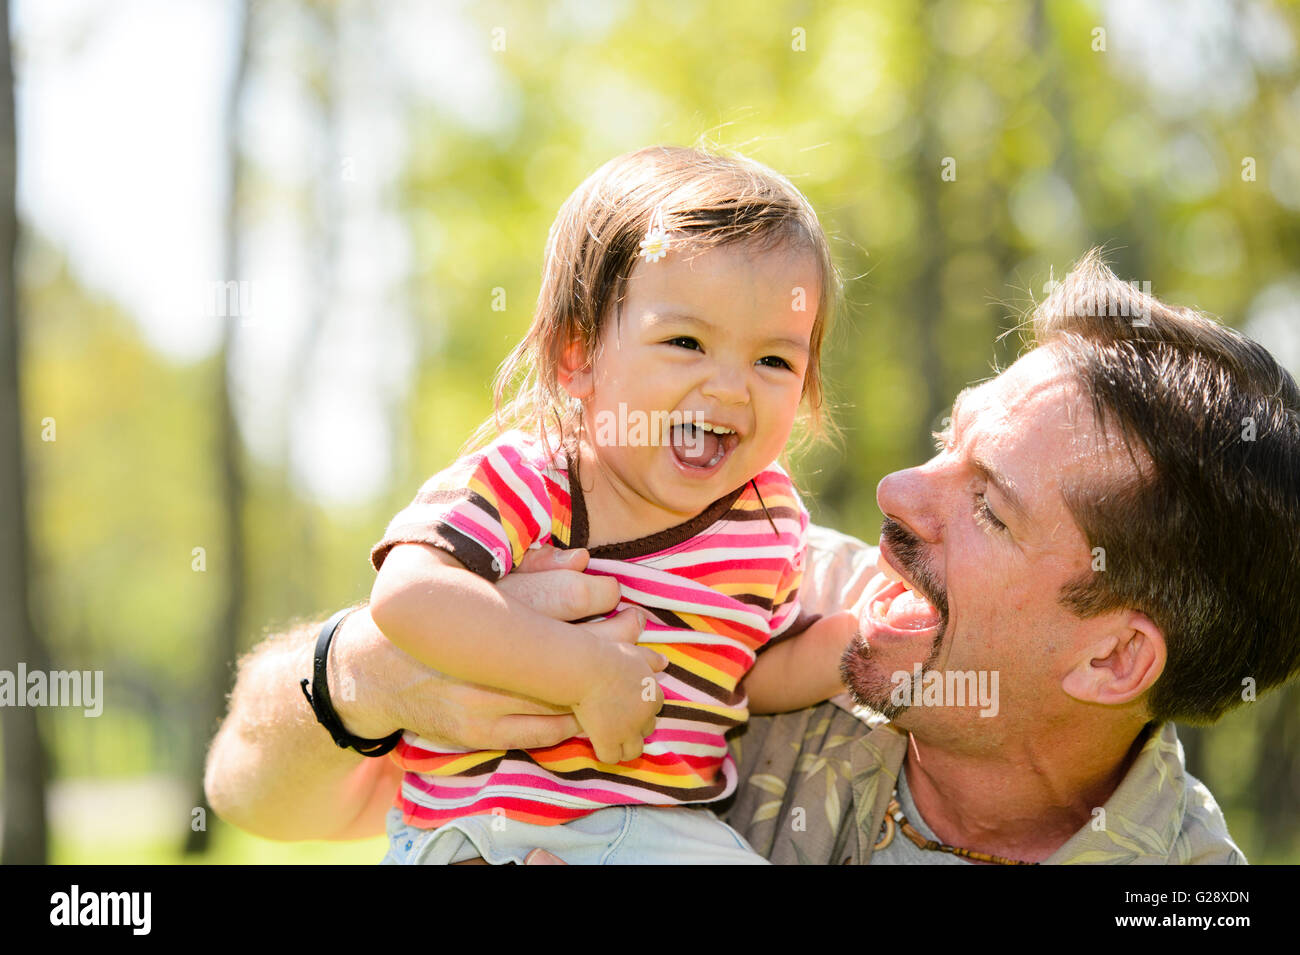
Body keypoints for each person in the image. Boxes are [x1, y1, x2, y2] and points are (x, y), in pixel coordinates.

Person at [206, 251, 1300, 864]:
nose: (893, 495)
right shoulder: (763, 591)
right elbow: (254, 791)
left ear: (1112, 660)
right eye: (945, 443)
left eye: (990, 506)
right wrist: (365, 673)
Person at [361, 145, 858, 864]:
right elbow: (407, 595)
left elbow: (746, 671)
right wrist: (583, 671)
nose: (729, 388)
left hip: (664, 831)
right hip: (485, 825)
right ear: (579, 356)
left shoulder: (767, 520)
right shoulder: (540, 477)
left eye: (773, 360)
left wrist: (855, 649)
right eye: (686, 341)